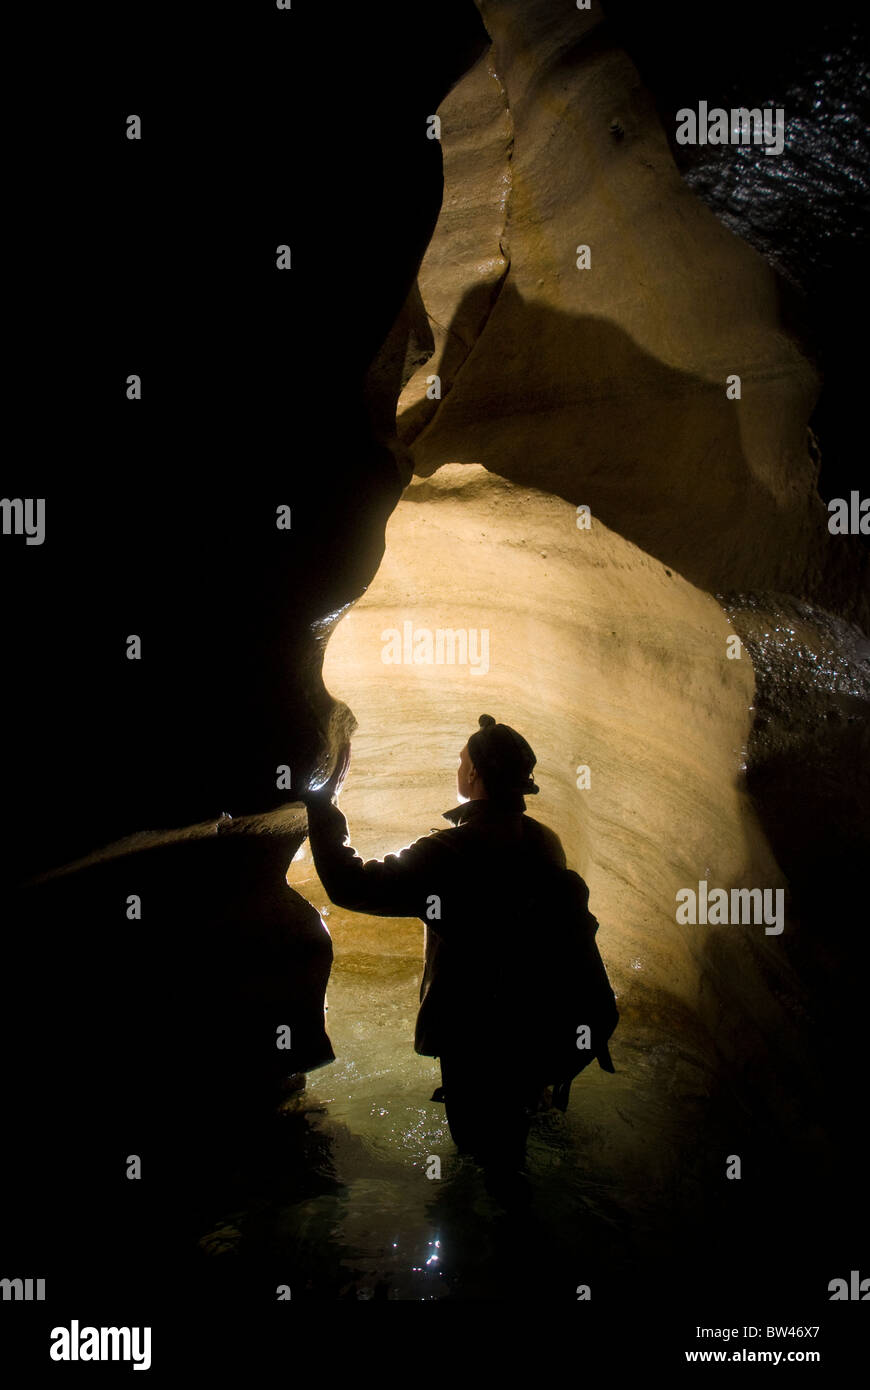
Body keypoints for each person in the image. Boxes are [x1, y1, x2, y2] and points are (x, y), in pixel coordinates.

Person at [299, 714, 571, 1208]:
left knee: (486, 1159)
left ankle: (494, 1239)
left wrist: (322, 807)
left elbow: (352, 885)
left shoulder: (452, 851)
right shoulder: (544, 842)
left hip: (474, 1031)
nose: (459, 768)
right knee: (513, 1143)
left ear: (474, 774)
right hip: (534, 1019)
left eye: (462, 761)